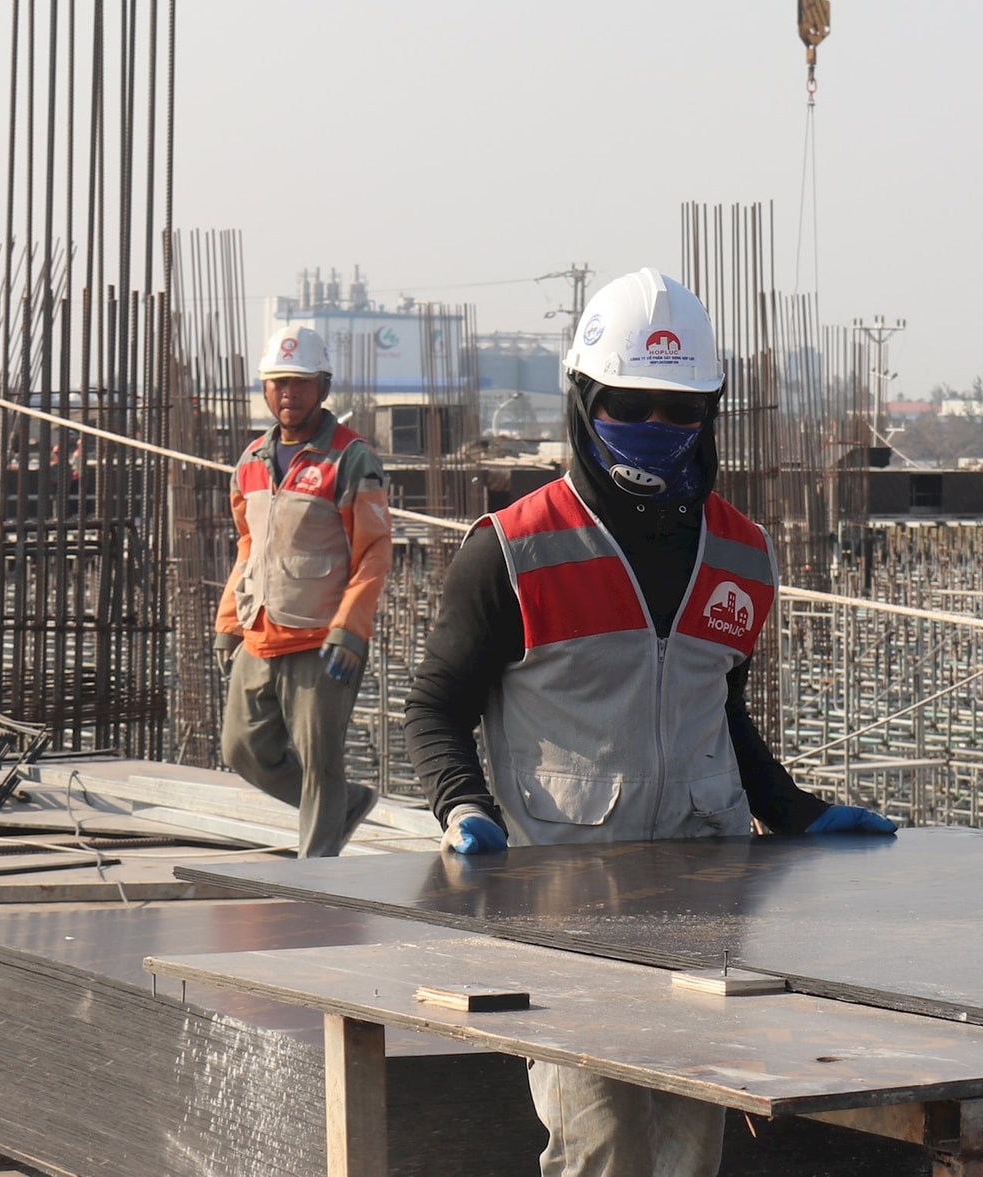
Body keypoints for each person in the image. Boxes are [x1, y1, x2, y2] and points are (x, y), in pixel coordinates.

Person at [405, 267, 894, 1177]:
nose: (660, 431)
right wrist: (462, 805)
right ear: (586, 401)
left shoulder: (742, 553)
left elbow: (719, 707)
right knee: (600, 1146)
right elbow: (437, 704)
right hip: (567, 900)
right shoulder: (512, 551)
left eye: (681, 411)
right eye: (634, 406)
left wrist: (791, 806)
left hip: (705, 899)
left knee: (685, 1143)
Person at [214, 325, 392, 858]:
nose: (288, 394)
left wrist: (350, 630)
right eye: (278, 383)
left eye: (299, 383)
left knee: (321, 764)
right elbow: (248, 550)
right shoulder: (249, 462)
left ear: (323, 386)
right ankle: (345, 806)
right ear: (265, 390)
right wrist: (228, 626)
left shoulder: (351, 458)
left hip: (323, 640)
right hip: (260, 632)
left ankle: (315, 875)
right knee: (241, 748)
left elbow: (374, 552)